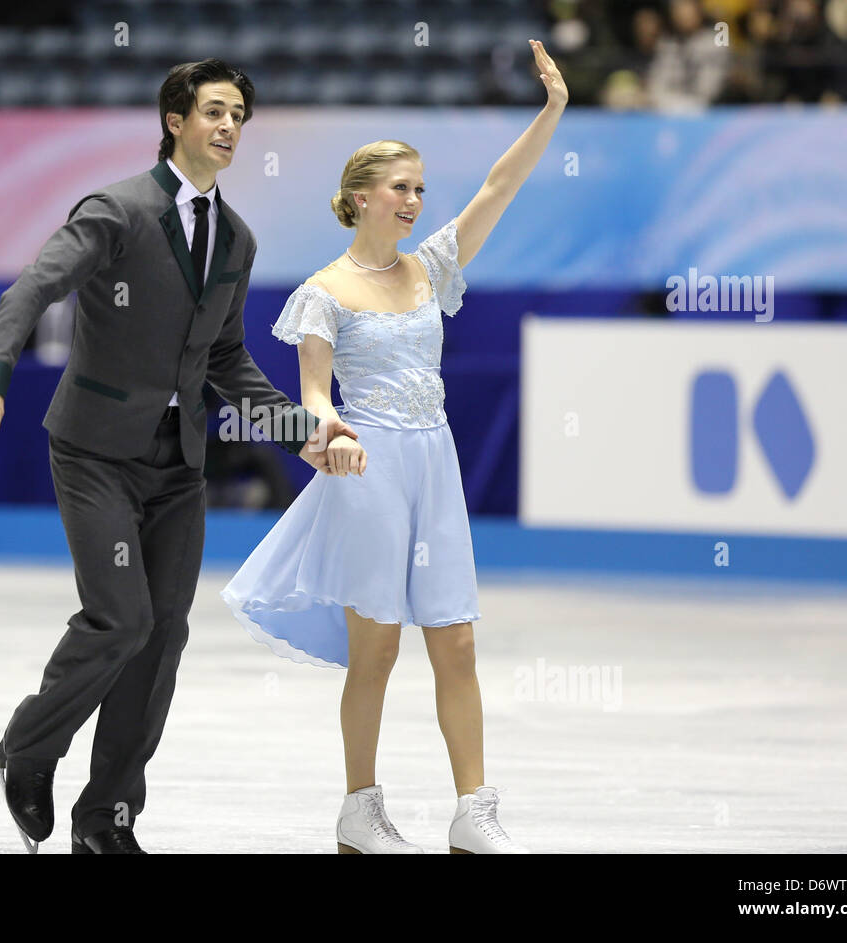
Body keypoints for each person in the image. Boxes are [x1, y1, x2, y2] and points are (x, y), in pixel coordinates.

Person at [0, 59, 363, 854]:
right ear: (174, 120)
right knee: (122, 617)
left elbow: (229, 362)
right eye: (214, 110)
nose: (230, 126)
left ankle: (106, 815)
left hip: (179, 467)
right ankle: (28, 748)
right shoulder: (118, 211)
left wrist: (305, 432)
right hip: (96, 450)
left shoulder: (236, 238)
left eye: (239, 113)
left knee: (163, 633)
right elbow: (32, 287)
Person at [221, 40, 567, 854]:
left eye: (418, 188)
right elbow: (312, 392)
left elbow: (500, 185)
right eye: (401, 189)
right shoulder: (323, 292)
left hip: (434, 462)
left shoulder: (430, 267)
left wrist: (551, 111)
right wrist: (325, 429)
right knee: (374, 646)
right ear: (361, 198)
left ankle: (473, 810)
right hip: (366, 461)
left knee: (457, 635)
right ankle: (359, 807)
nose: (415, 201)